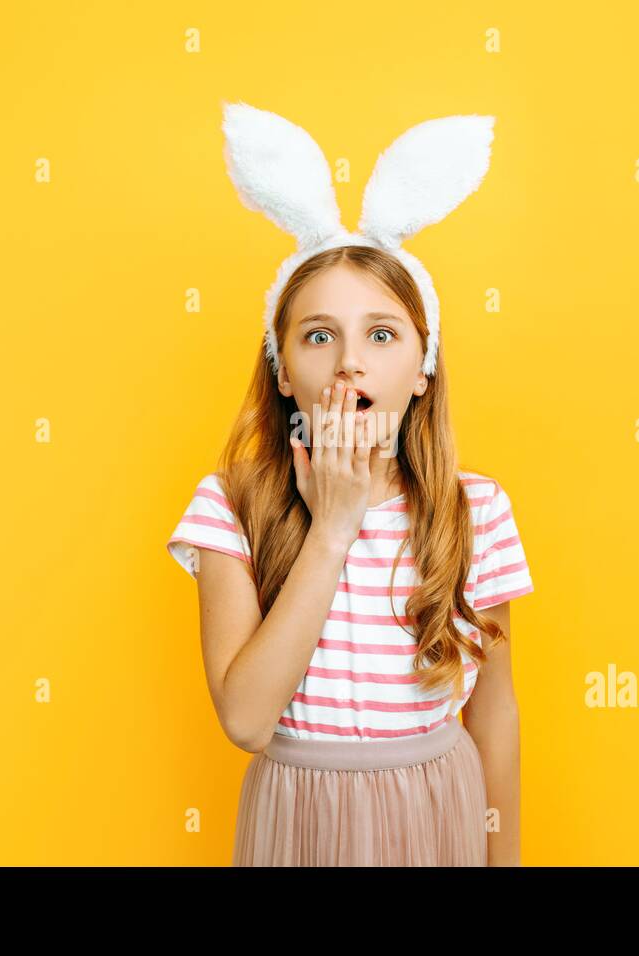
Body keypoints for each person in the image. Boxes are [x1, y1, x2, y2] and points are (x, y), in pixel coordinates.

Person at [165, 103, 534, 865]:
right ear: (283, 368)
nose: (350, 363)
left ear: (423, 367)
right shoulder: (228, 507)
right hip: (299, 820)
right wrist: (333, 527)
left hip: (439, 812)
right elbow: (245, 721)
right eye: (319, 335)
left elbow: (494, 718)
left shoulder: (478, 511)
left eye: (382, 334)